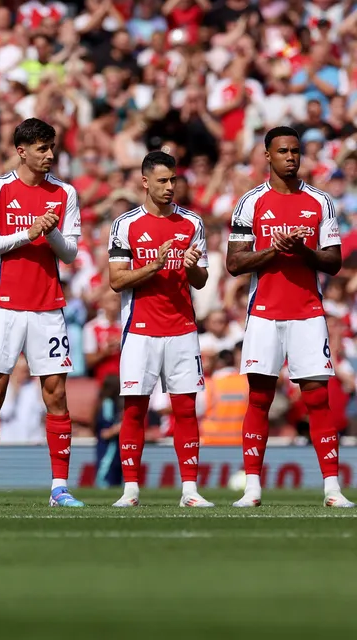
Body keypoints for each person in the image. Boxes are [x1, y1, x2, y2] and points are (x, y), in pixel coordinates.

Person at [226, 126, 353, 508]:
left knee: (318, 398)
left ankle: (332, 488)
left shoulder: (320, 202)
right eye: (282, 151)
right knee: (260, 398)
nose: (291, 157)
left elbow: (333, 261)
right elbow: (234, 262)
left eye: (295, 151)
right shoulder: (250, 203)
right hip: (264, 313)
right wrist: (274, 249)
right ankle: (252, 488)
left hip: (307, 313)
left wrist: (303, 251)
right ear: (267, 156)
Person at [0, 118, 84, 508]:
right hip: (4, 306)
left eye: (51, 147)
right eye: (41, 148)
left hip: (48, 307)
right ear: (22, 150)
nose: (49, 155)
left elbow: (69, 254)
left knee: (56, 395)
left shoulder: (65, 192)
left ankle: (59, 488)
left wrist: (50, 233)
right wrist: (28, 232)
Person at [106, 151, 213, 508]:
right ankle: (131, 490)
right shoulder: (126, 225)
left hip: (182, 328)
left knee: (185, 409)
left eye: (174, 180)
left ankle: (190, 491)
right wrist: (154, 265)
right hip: (139, 329)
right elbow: (116, 281)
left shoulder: (192, 223)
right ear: (145, 182)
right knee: (135, 410)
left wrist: (192, 266)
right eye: (163, 181)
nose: (170, 187)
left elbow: (200, 279)